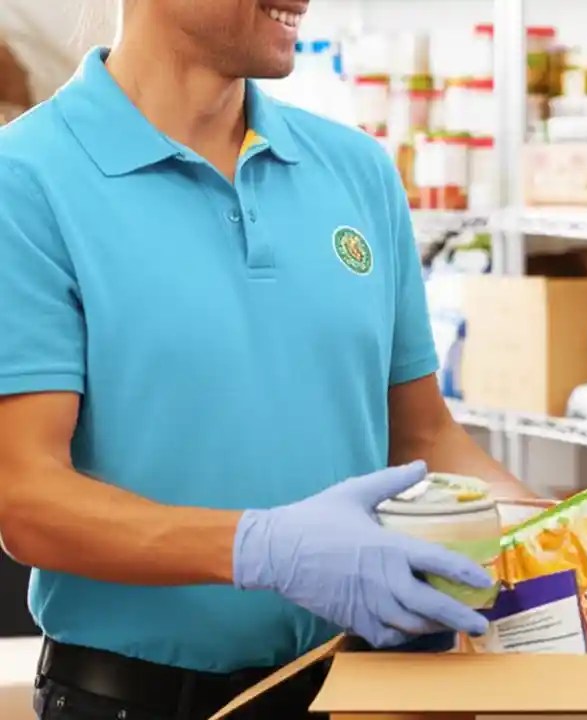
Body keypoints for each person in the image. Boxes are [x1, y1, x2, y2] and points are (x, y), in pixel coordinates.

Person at [0, 1, 537, 718]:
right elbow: (28, 499)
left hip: (368, 691)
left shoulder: (356, 170)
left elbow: (425, 438)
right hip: (142, 700)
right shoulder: (26, 182)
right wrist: (261, 548)